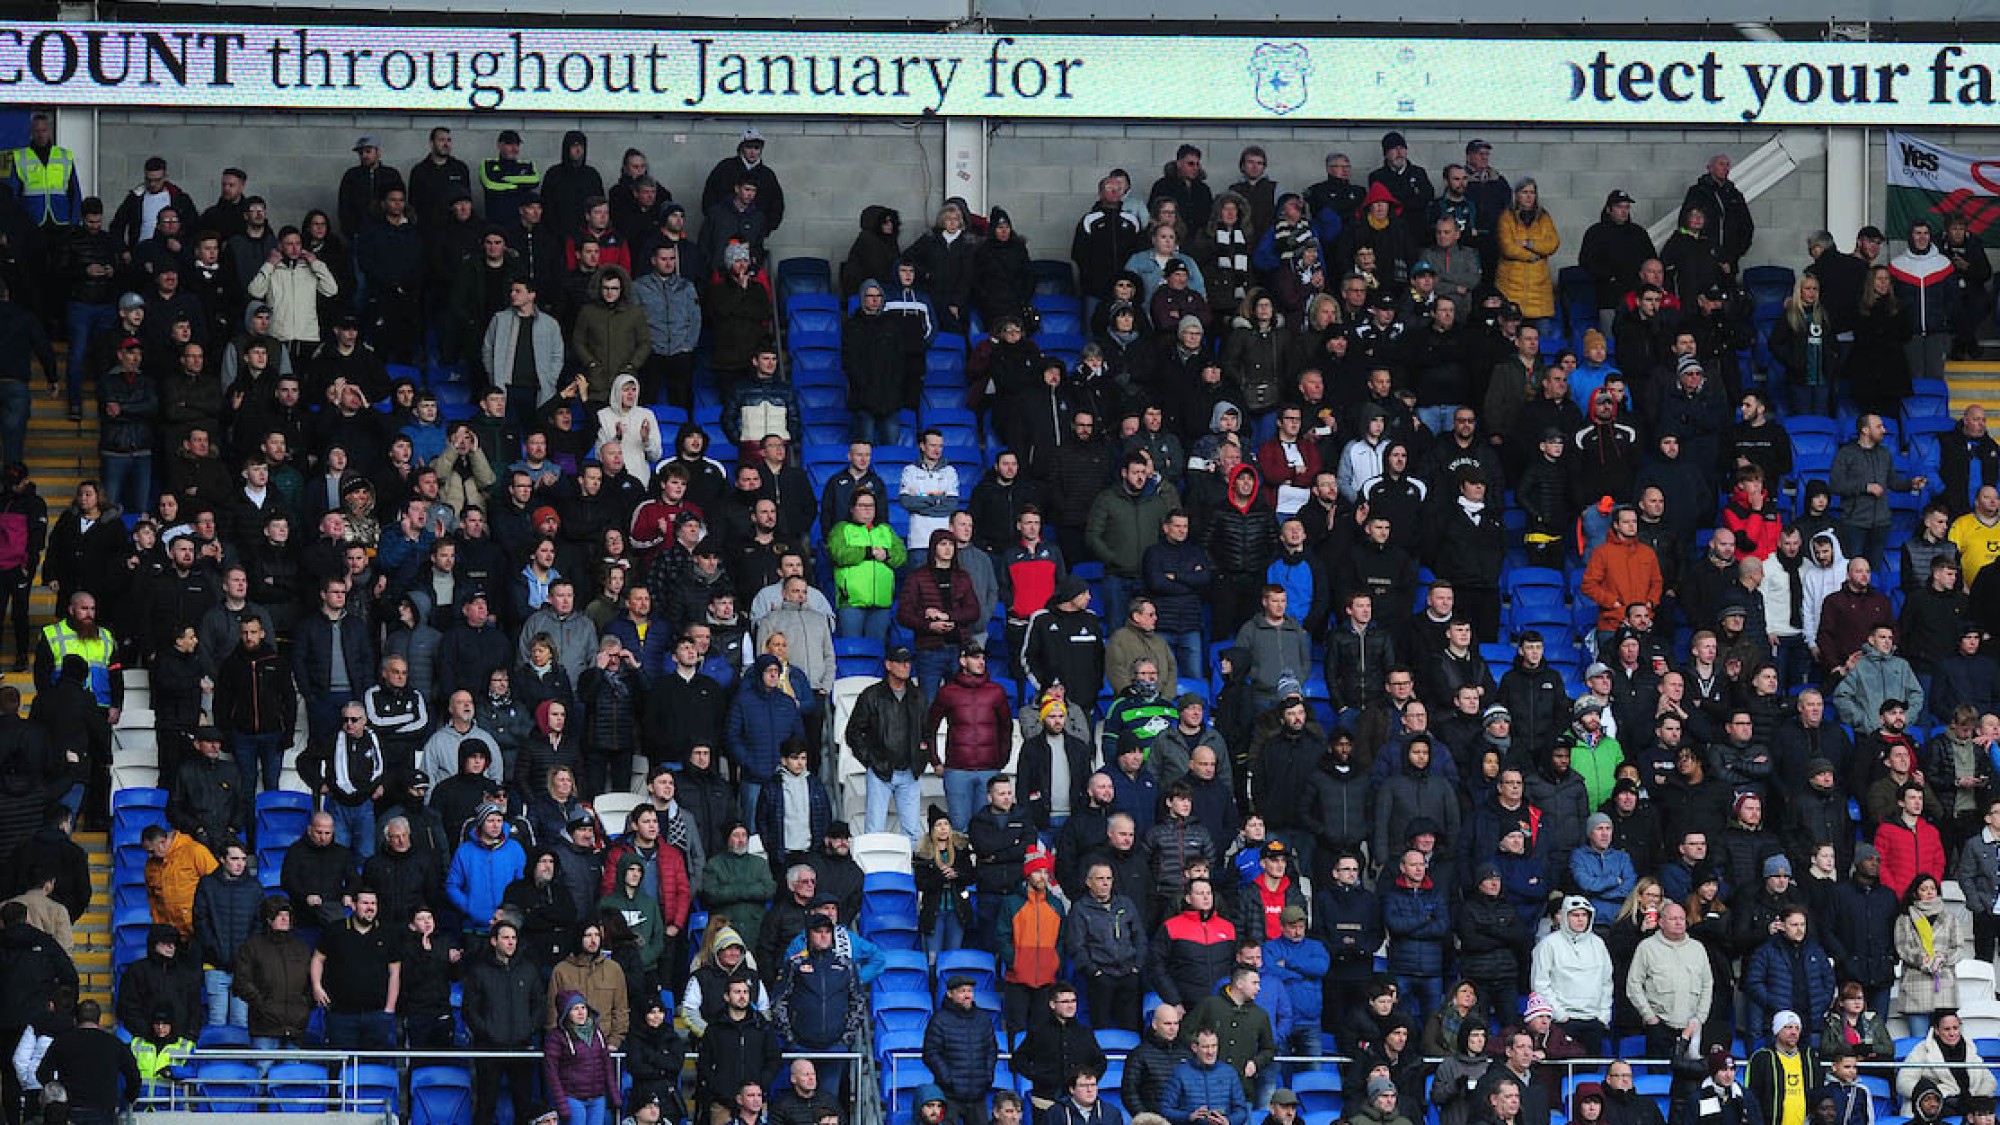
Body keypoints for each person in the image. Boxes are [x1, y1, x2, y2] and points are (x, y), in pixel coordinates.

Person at [311, 887, 398, 1050]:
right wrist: (317, 986)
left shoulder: (388, 933)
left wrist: (389, 1008)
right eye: (365, 903)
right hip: (340, 1015)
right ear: (353, 905)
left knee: (373, 1070)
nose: (370, 907)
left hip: (377, 1015)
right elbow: (318, 959)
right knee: (341, 1067)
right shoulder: (335, 930)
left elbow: (395, 972)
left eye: (373, 903)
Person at [1627, 902, 1711, 1057]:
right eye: (1673, 919)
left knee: (1689, 1078)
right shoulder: (1647, 947)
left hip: (1691, 1027)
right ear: (1661, 923)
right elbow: (1633, 984)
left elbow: (1707, 984)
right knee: (1658, 1077)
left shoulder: (1697, 948)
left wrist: (1700, 1018)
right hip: (1659, 1026)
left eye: (1682, 918)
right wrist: (1649, 1017)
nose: (1679, 923)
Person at [1897, 1014, 1996, 1114]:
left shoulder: (1970, 1049)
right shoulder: (1923, 1049)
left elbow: (1989, 1081)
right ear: (1936, 1030)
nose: (1952, 1033)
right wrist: (1932, 1096)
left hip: (1969, 1105)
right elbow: (1904, 1082)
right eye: (1947, 1029)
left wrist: (1978, 1101)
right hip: (1936, 1106)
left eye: (1955, 1028)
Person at [1161, 1025, 1250, 1125]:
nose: (1210, 1052)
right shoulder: (1180, 1073)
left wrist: (1229, 1121)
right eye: (1205, 1047)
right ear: (1194, 1047)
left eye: (1214, 1046)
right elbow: (1165, 1110)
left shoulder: (1229, 1072)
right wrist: (1189, 1117)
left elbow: (1242, 1110)